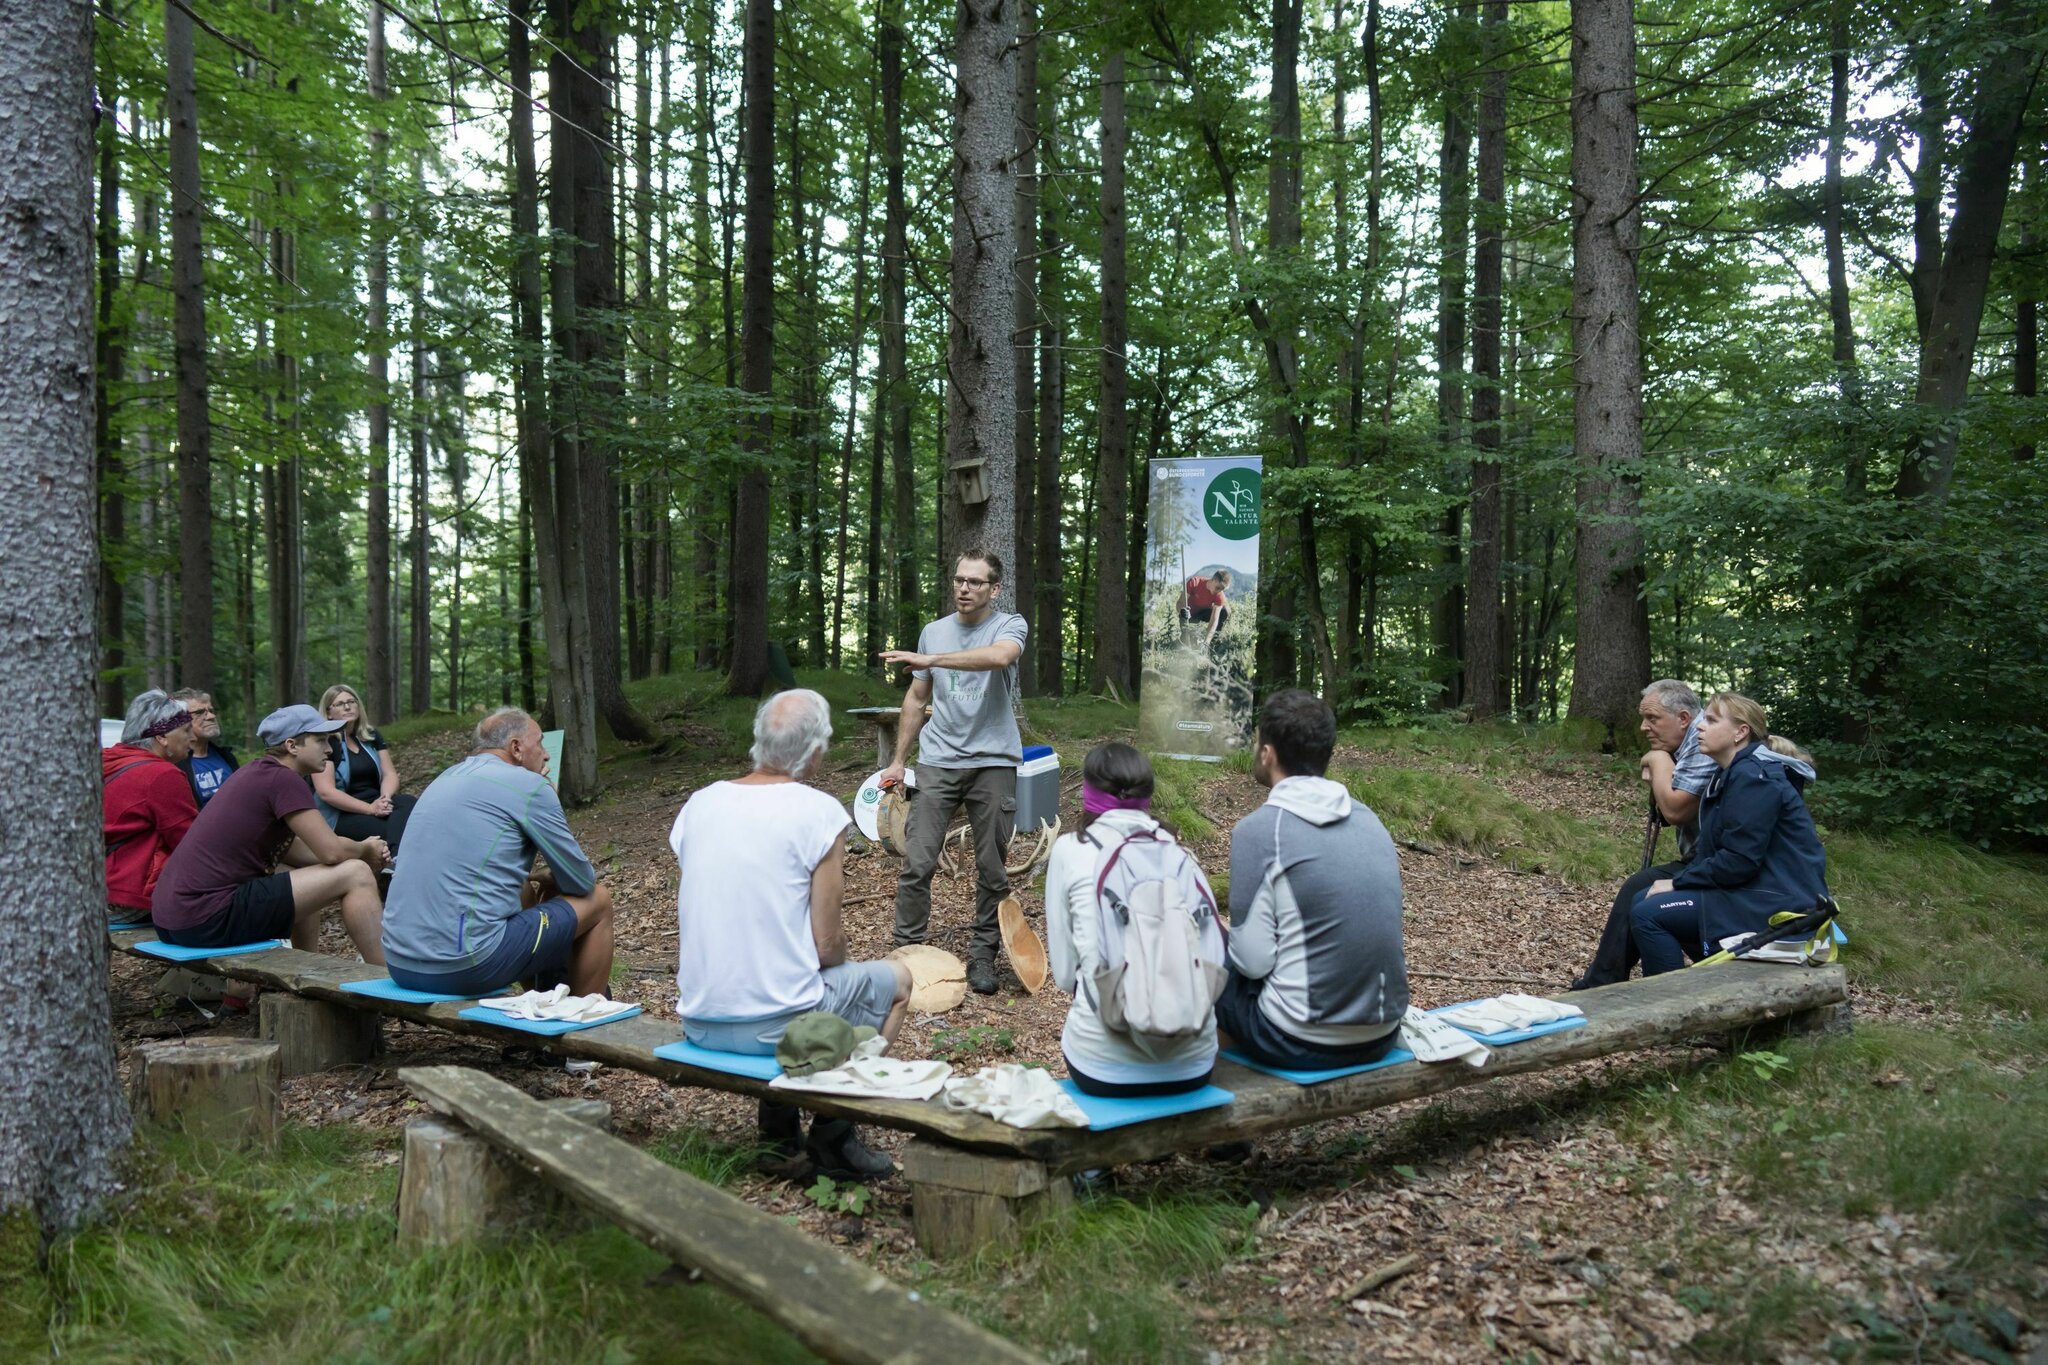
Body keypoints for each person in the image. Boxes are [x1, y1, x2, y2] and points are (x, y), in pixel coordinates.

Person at [672, 690, 912, 1177]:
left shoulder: (699, 804)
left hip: (699, 1020)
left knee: (789, 982)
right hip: (774, 1028)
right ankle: (835, 1134)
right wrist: (838, 967)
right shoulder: (818, 811)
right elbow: (826, 946)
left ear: (759, 741)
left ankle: (777, 1140)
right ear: (816, 751)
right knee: (899, 982)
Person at [1217, 689, 1411, 1071]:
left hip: (1300, 1039)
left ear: (1266, 753)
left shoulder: (1260, 831)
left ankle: (1218, 1111)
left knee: (1202, 962)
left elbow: (1252, 963)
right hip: (1383, 1031)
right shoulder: (1368, 819)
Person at [877, 548, 1029, 996]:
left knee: (991, 867)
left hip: (993, 760)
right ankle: (906, 955)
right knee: (917, 861)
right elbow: (915, 699)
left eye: (975, 582)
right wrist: (900, 760)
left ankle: (983, 955)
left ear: (993, 589)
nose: (964, 588)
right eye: (959, 580)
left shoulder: (1009, 625)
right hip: (939, 759)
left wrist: (934, 660)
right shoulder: (934, 631)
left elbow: (999, 658)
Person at [381, 707, 615, 998]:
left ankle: (545, 999)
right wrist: (548, 795)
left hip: (399, 963)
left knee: (522, 888)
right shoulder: (531, 786)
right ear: (516, 747)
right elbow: (581, 882)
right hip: (463, 968)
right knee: (600, 900)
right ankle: (583, 1026)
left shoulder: (444, 779)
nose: (546, 755)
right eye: (540, 743)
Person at [1045, 742, 1219, 1096]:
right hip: (1194, 1066)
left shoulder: (1068, 850)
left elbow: (1064, 977)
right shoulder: (1180, 854)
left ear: (1088, 793)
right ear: (1147, 795)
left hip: (1102, 1069)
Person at [152, 704, 389, 959]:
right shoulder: (284, 779)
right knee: (357, 874)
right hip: (206, 916)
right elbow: (331, 851)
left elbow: (304, 851)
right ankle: (384, 980)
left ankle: (305, 971)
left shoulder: (257, 773)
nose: (329, 750)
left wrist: (359, 848)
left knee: (306, 876)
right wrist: (365, 850)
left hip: (173, 919)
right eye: (320, 741)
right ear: (292, 746)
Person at [1630, 693, 1826, 976]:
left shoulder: (1755, 777)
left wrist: (1678, 883)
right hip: (1753, 892)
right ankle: (1705, 986)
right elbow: (1721, 853)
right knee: (1642, 900)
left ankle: (1669, 1006)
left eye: (1711, 720)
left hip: (1779, 903)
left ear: (1740, 732)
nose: (1700, 726)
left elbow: (1739, 861)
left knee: (1648, 915)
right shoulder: (1733, 773)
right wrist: (1680, 883)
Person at [1570, 680, 1721, 990]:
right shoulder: (1687, 743)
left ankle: (1616, 988)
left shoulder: (1702, 742)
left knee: (1646, 899)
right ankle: (1602, 984)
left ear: (1683, 718)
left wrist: (1659, 761)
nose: (1643, 727)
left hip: (1718, 862)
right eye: (1643, 718)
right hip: (1705, 858)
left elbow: (1676, 811)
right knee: (1638, 886)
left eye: (1652, 719)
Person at [104, 690, 199, 924]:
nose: (193, 738)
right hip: (126, 898)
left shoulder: (106, 761)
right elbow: (191, 843)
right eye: (186, 730)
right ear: (162, 737)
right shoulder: (160, 775)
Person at [310, 682, 417, 855]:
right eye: (340, 704)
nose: (347, 707)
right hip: (341, 813)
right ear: (328, 713)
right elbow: (325, 792)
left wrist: (385, 798)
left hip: (376, 802)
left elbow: (389, 774)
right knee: (390, 829)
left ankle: (395, 859)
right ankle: (396, 858)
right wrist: (370, 809)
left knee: (408, 803)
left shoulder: (371, 735)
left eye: (351, 701)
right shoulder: (327, 742)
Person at [169, 688, 239, 809]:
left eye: (211, 710)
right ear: (180, 721)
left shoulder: (227, 757)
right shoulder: (173, 765)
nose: (211, 716)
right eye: (199, 712)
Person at [1181, 568, 1233, 650]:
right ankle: (1184, 639)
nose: (1219, 591)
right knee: (1189, 644)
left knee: (1224, 611)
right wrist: (1182, 610)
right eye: (1218, 587)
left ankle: (1211, 645)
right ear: (1214, 580)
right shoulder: (1194, 582)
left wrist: (1206, 642)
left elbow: (1214, 620)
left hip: (1202, 614)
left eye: (1222, 589)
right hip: (1189, 615)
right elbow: (1179, 603)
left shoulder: (1219, 594)